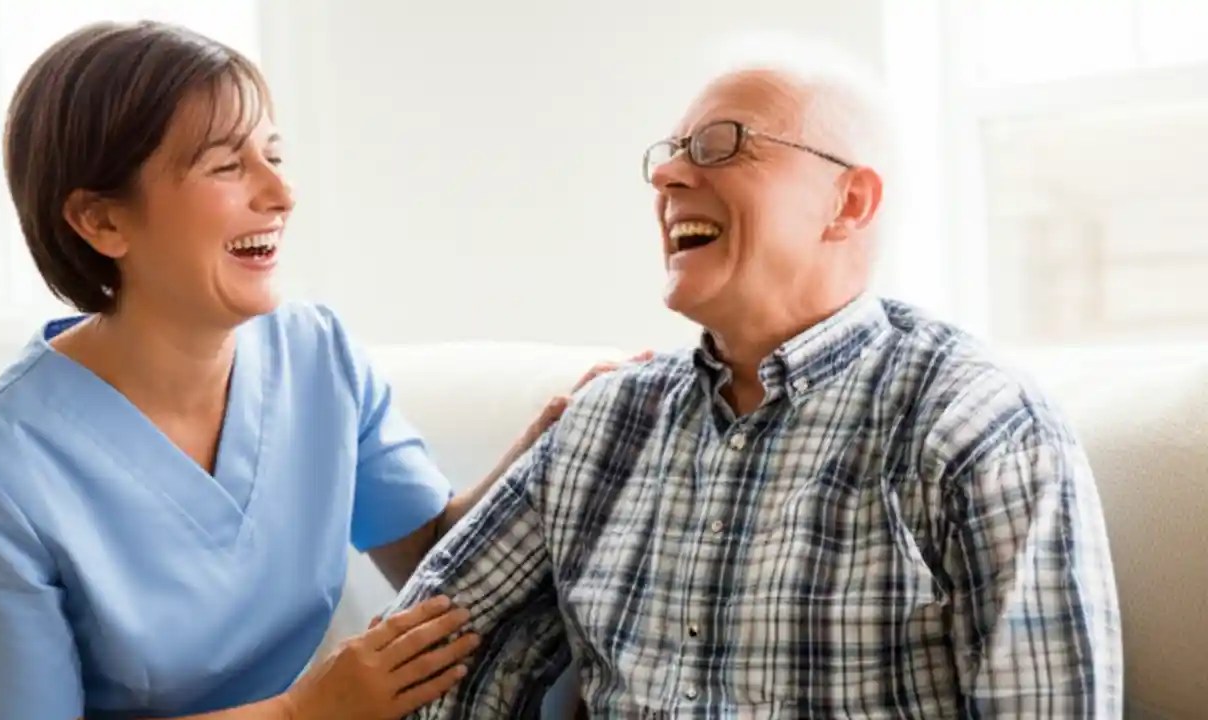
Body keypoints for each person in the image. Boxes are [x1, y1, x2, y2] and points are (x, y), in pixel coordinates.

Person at [382, 47, 1125, 717]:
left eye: (720, 146)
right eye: (669, 155)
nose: (670, 176)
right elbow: (420, 665)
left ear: (850, 202)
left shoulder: (978, 424)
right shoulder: (600, 425)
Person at [0, 20, 628, 720]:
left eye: (273, 155)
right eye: (227, 167)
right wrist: (303, 712)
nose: (280, 194)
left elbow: (434, 556)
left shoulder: (315, 355)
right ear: (102, 222)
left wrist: (545, 452)